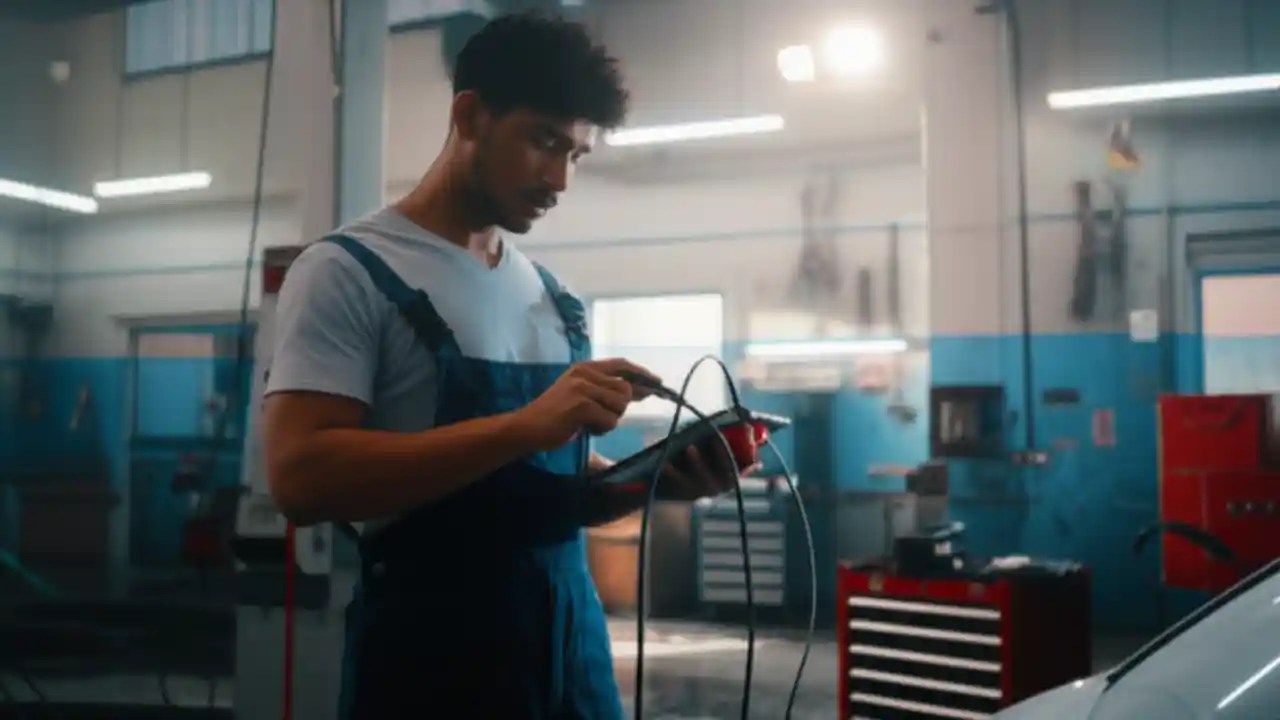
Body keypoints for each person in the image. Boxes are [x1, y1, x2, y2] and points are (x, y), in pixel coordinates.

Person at [262, 13, 748, 719]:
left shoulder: (556, 301)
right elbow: (301, 478)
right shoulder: (347, 272)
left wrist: (646, 483)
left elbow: (540, 490)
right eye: (543, 141)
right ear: (470, 116)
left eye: (576, 154)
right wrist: (523, 427)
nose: (559, 179)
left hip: (568, 663)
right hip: (430, 670)